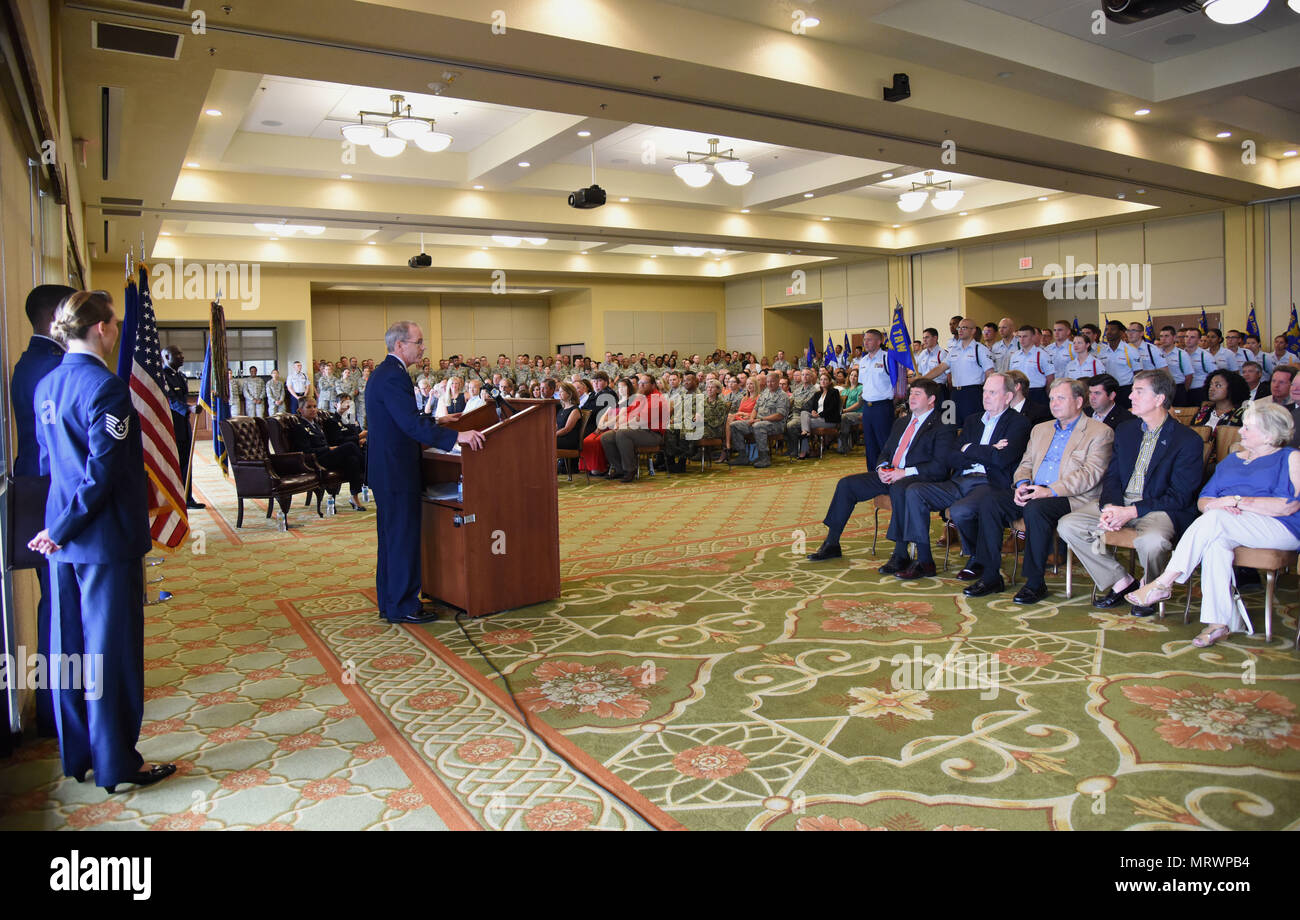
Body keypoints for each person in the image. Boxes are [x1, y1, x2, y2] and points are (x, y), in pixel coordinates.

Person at [29, 290, 176, 794]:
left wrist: (55, 530)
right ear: (101, 330)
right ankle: (117, 764)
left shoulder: (46, 386)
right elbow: (101, 475)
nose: (116, 333)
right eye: (114, 324)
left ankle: (79, 756)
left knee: (70, 650)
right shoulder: (107, 389)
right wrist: (65, 529)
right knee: (111, 655)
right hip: (103, 543)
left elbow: (52, 469)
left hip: (60, 542)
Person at [1129, 402, 1300, 647]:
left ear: (1270, 435)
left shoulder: (1290, 457)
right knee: (1215, 544)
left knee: (1217, 520)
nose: (1240, 431)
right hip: (1229, 525)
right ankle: (1218, 623)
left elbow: (1288, 505)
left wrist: (1237, 502)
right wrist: (1220, 505)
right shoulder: (1232, 460)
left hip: (1280, 527)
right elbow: (1204, 502)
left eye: (1248, 428)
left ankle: (1164, 581)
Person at [1058, 370, 1204, 617]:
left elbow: (1180, 496)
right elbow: (1112, 476)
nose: (1131, 396)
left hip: (1158, 508)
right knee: (1069, 525)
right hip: (1121, 502)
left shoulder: (1186, 440)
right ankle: (1121, 581)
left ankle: (1151, 588)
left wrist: (1131, 511)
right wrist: (1111, 507)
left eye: (1139, 391)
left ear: (1159, 399)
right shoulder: (1126, 430)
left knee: (1153, 542)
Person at [366, 323, 484, 623]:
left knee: (392, 537)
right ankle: (404, 606)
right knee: (402, 537)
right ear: (399, 345)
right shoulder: (393, 376)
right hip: (395, 471)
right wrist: (457, 437)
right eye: (418, 342)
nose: (423, 347)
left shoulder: (386, 373)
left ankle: (391, 602)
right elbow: (407, 424)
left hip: (388, 468)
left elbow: (403, 419)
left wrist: (441, 421)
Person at [966, 378, 1114, 601]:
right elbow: (1024, 465)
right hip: (1034, 490)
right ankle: (990, 575)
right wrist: (1022, 485)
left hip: (1071, 497)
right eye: (1052, 398)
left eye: (1061, 398)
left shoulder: (1099, 432)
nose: (1054, 403)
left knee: (1037, 509)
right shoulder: (1040, 429)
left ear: (1079, 401)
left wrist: (1050, 490)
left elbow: (1090, 475)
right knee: (990, 502)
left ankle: (1035, 583)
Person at [9, 283, 76, 736]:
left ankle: (62, 703)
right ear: (57, 317)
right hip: (52, 495)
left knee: (59, 601)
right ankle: (57, 709)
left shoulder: (32, 362)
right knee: (59, 604)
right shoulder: (49, 368)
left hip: (45, 491)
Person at [807, 378, 955, 574]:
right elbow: (885, 452)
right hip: (890, 475)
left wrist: (903, 473)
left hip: (918, 479)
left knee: (900, 489)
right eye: (910, 394)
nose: (911, 398)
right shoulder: (901, 422)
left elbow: (940, 467)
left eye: (917, 394)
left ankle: (901, 554)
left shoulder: (942, 425)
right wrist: (882, 468)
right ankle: (832, 543)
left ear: (932, 399)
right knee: (847, 484)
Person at [905, 373, 1031, 582]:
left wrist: (969, 448)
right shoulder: (973, 420)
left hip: (989, 483)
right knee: (915, 491)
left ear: (1008, 397)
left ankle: (978, 558)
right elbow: (952, 457)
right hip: (960, 480)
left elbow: (1001, 459)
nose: (986, 397)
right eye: (984, 391)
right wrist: (985, 450)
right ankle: (925, 560)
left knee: (960, 511)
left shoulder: (1018, 423)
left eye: (992, 392)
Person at [293, 397, 367, 510]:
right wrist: (329, 449)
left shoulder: (316, 424)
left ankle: (354, 497)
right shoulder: (299, 427)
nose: (313, 409)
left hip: (327, 455)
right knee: (351, 446)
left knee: (353, 460)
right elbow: (306, 451)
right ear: (300, 410)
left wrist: (330, 449)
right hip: (316, 460)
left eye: (314, 406)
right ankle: (369, 473)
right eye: (309, 407)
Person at [600, 374, 667, 482]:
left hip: (653, 434)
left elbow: (641, 420)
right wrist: (619, 422)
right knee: (606, 437)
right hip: (638, 431)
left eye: (644, 383)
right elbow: (628, 412)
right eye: (640, 383)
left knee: (623, 433)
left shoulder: (656, 399)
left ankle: (630, 469)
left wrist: (623, 426)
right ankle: (619, 469)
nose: (641, 385)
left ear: (653, 385)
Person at [161, 345, 205, 509]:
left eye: (181, 353)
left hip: (183, 425)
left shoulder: (180, 376)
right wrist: (188, 408)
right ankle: (175, 497)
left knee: (186, 461)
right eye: (177, 354)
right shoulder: (163, 376)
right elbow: (170, 400)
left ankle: (187, 497)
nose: (182, 356)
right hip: (171, 425)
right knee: (175, 462)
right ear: (166, 357)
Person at [855, 329, 899, 468]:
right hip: (867, 408)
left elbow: (897, 382)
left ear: (879, 341)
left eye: (869, 339)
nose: (865, 343)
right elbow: (864, 384)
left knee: (884, 443)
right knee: (870, 444)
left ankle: (888, 473)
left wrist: (893, 402)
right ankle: (872, 476)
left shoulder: (887, 358)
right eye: (864, 340)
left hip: (882, 407)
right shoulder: (863, 361)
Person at [730, 372, 790, 469]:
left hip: (775, 424)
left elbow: (779, 415)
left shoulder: (782, 396)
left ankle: (764, 457)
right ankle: (742, 456)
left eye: (772, 382)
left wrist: (760, 419)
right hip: (757, 420)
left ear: (778, 381)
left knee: (758, 426)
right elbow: (756, 408)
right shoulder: (764, 393)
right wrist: (752, 419)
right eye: (768, 382)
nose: (770, 384)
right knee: (734, 425)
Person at [943, 318, 993, 424]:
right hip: (955, 392)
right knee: (952, 424)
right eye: (959, 327)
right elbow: (941, 367)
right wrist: (923, 378)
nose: (960, 330)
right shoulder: (954, 350)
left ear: (973, 331)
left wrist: (988, 394)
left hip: (973, 393)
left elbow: (990, 373)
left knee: (972, 425)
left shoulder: (980, 349)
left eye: (964, 328)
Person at [582, 377, 634, 475]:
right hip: (605, 427)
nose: (621, 389)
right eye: (619, 387)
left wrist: (604, 425)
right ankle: (591, 467)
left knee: (598, 441)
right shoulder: (616, 402)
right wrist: (601, 425)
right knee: (587, 440)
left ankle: (602, 467)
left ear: (629, 388)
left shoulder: (630, 402)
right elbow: (604, 415)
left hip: (616, 428)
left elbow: (619, 417)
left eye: (624, 387)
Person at [796, 371, 840, 459]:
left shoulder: (834, 392)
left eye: (825, 379)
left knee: (804, 423)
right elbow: (814, 407)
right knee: (804, 413)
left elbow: (832, 408)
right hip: (817, 418)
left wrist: (819, 415)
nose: (823, 381)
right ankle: (806, 433)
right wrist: (813, 412)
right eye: (821, 380)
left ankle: (804, 451)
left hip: (829, 419)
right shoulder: (817, 394)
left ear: (830, 381)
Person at [1008, 324, 1053, 405]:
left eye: (1025, 336)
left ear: (1032, 337)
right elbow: (1012, 377)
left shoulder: (1043, 355)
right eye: (1019, 337)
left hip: (1037, 393)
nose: (1021, 339)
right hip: (1019, 393)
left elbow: (1050, 378)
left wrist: (1049, 395)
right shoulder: (1014, 356)